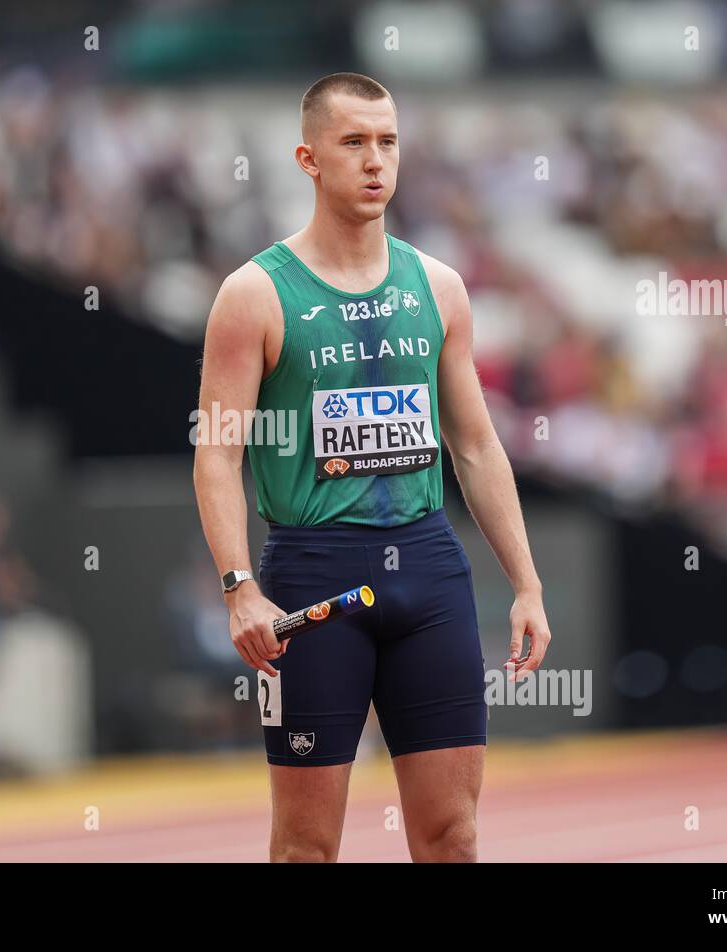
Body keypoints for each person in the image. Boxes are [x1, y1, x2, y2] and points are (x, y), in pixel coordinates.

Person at [193, 72, 552, 862]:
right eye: (353, 142)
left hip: (429, 571)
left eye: (387, 141)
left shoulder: (440, 287)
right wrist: (237, 587)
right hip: (313, 583)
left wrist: (524, 582)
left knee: (452, 837)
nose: (375, 160)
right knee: (306, 847)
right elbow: (216, 453)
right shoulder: (253, 295)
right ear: (308, 158)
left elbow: (477, 445)